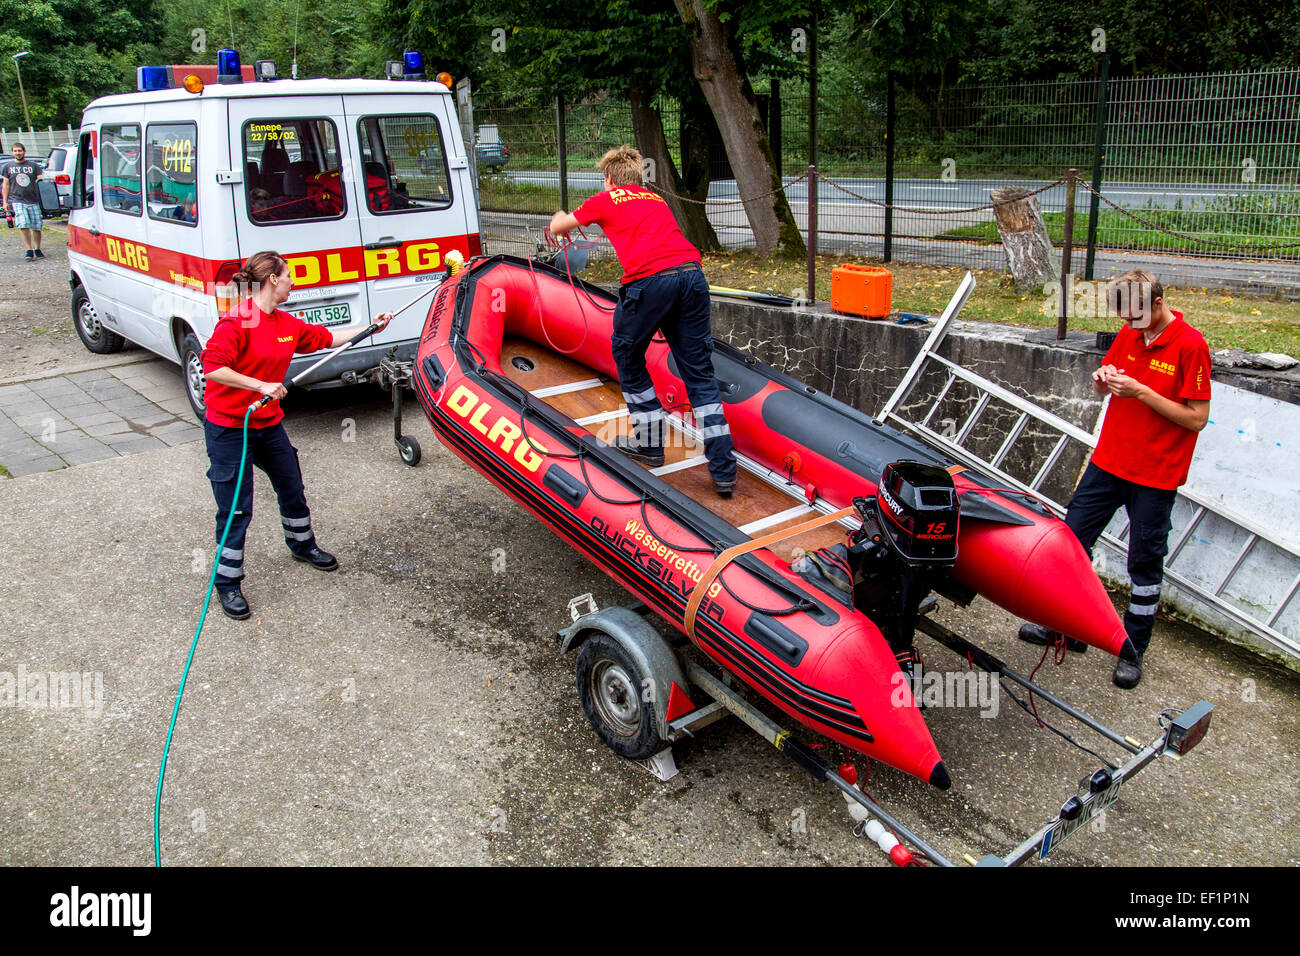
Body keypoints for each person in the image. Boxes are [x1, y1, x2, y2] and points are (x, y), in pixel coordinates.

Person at [1020, 269, 1211, 689]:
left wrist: (1141, 391)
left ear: (1158, 304)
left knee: (1143, 563)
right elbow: (1109, 385)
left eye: (1136, 319)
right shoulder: (1130, 332)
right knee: (1070, 544)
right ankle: (1065, 627)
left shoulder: (1191, 345)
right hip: (1109, 462)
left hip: (1155, 475)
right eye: (1124, 319)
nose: (1129, 327)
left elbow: (1197, 419)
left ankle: (1132, 647)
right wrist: (1101, 383)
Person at [202, 250, 393, 620]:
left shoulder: (285, 323)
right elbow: (213, 368)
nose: (293, 281)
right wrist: (260, 385)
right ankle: (227, 583)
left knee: (291, 487)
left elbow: (326, 339)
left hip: (268, 424)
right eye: (288, 276)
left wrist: (372, 327)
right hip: (230, 427)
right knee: (237, 508)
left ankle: (302, 545)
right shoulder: (237, 322)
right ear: (272, 279)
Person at [548, 145, 738, 497]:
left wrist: (559, 215)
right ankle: (724, 470)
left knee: (627, 354)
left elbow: (561, 225)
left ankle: (650, 444)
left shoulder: (606, 199)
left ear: (609, 179)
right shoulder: (656, 200)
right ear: (639, 177)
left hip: (651, 282)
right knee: (698, 371)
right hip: (692, 276)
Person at [1, 143, 45, 262]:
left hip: (34, 200)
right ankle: (29, 249)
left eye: (19, 151)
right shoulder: (8, 167)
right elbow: (5, 184)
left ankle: (37, 248)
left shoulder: (34, 166)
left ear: (24, 151)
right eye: (15, 151)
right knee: (23, 223)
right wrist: (5, 202)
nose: (17, 153)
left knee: (36, 226)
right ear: (12, 152)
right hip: (18, 200)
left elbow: (41, 181)